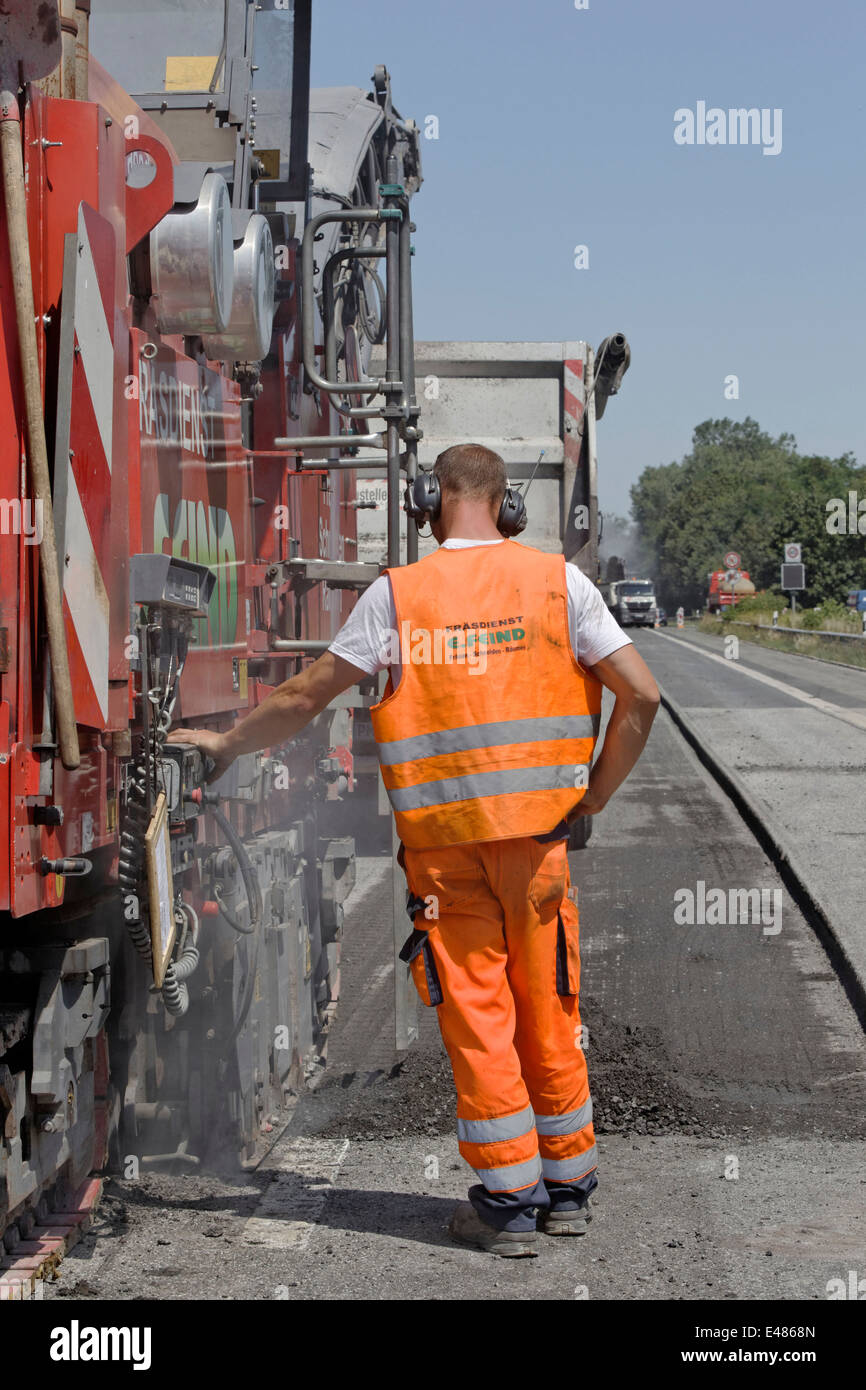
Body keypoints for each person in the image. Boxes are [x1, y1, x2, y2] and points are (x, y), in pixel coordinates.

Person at [170, 443, 659, 1258]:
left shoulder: (397, 596)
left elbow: (304, 695)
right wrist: (592, 799)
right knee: (550, 1009)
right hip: (539, 849)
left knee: (480, 1016)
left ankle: (507, 1204)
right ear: (509, 507)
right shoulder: (558, 584)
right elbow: (641, 693)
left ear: (428, 502)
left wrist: (224, 744)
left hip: (445, 860)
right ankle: (567, 1188)